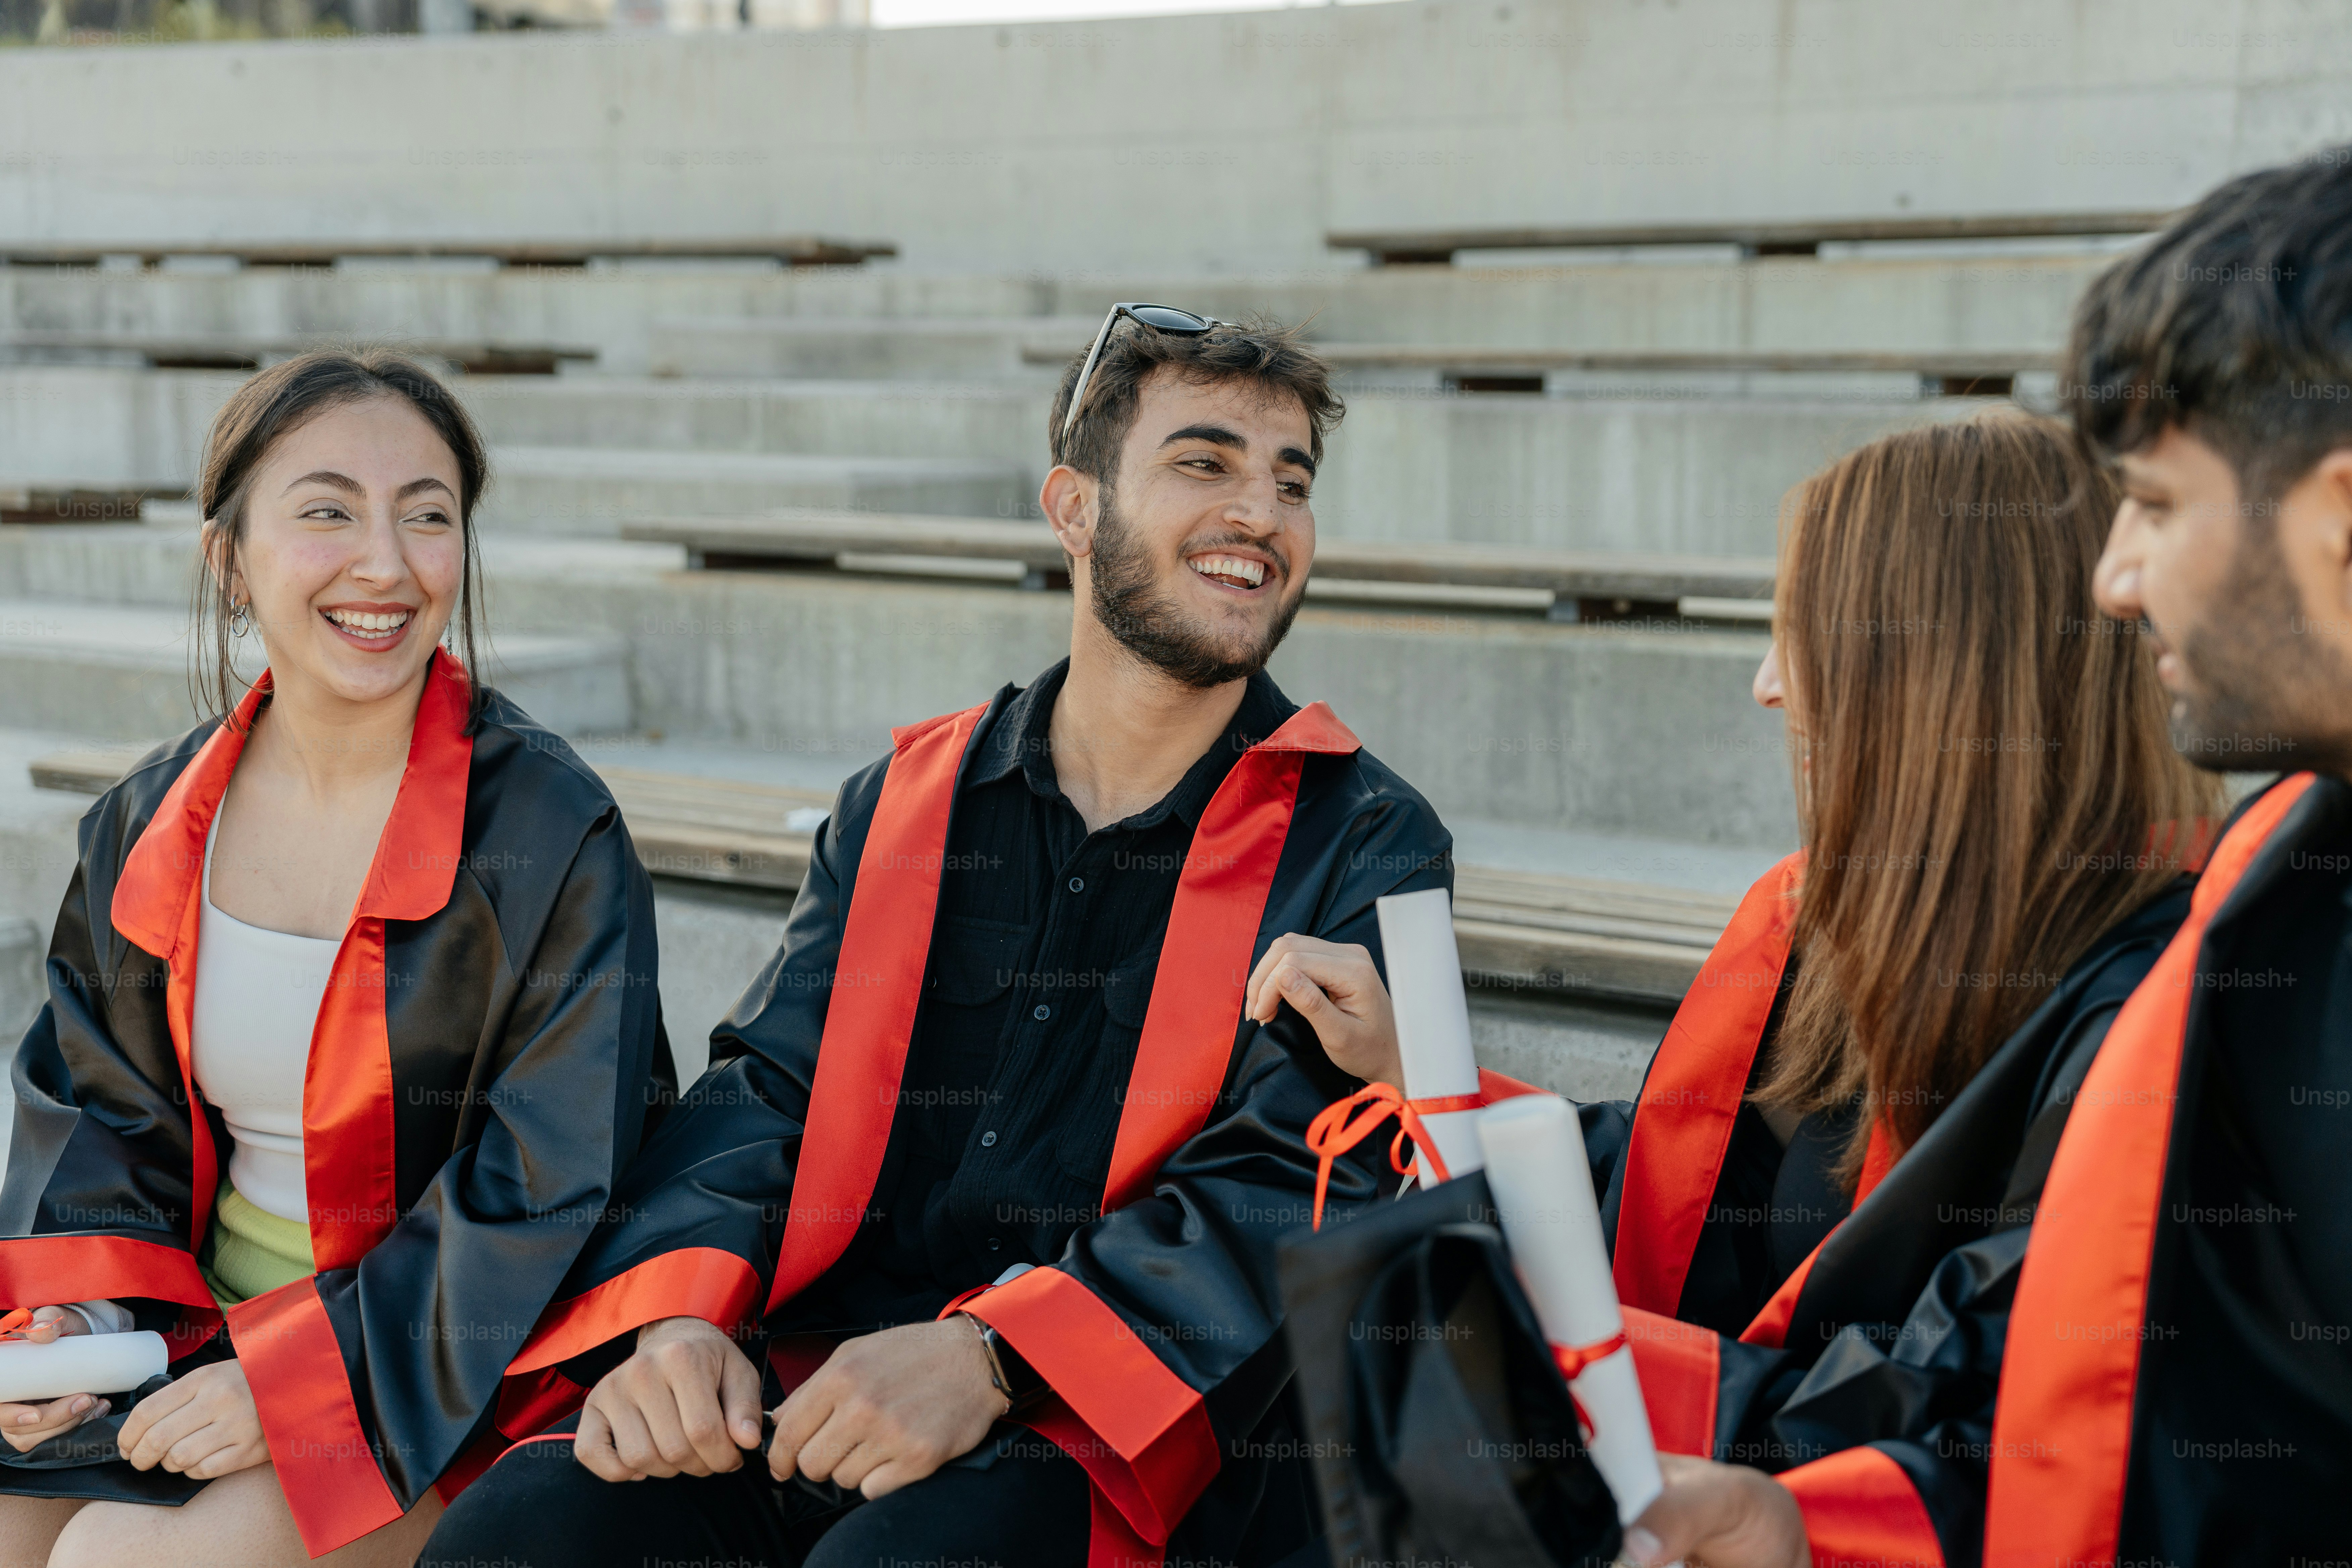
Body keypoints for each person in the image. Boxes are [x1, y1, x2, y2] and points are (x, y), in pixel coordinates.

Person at [421, 310, 1450, 1568]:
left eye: (1291, 484)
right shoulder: (908, 801)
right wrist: (682, 1319)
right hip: (821, 1378)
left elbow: (1291, 1181)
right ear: (1074, 510)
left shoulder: (1366, 839)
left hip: (1112, 1432)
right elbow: (768, 1088)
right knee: (523, 1534)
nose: (1263, 515)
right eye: (1206, 464)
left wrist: (993, 1357)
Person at [1261, 408, 2221, 1567]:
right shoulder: (1830, 926)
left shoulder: (2152, 1026)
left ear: (1939, 675)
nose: (1770, 686)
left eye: (1801, 632)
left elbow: (1978, 1434)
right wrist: (1425, 1070)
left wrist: (1552, 1374)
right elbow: (1692, 1193)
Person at [0, 350, 674, 1568]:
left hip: (454, 1368)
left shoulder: (547, 835)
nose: (386, 564)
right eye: (327, 512)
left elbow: (550, 1188)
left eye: (427, 515)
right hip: (195, 1334)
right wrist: (75, 1326)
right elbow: (98, 1125)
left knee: (122, 1562)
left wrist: (297, 1384)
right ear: (231, 561)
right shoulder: (148, 828)